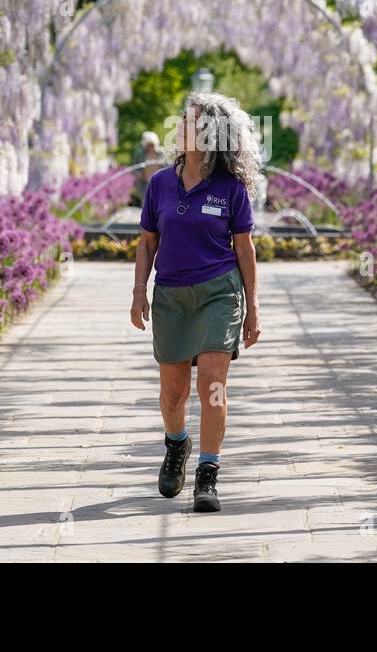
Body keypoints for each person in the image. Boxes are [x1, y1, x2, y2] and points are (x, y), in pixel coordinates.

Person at [130, 92, 262, 512]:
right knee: (173, 392)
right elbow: (147, 241)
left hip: (219, 294)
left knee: (213, 385)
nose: (182, 127)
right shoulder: (160, 185)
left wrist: (253, 307)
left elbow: (245, 250)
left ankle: (208, 474)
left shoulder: (231, 189)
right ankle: (177, 444)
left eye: (191, 122)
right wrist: (138, 291)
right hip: (170, 294)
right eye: (184, 121)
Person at [131, 131, 163, 206]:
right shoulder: (139, 154)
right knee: (146, 205)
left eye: (152, 145)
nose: (151, 147)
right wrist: (139, 175)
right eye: (149, 145)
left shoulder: (162, 153)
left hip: (160, 184)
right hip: (145, 184)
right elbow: (134, 168)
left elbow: (169, 166)